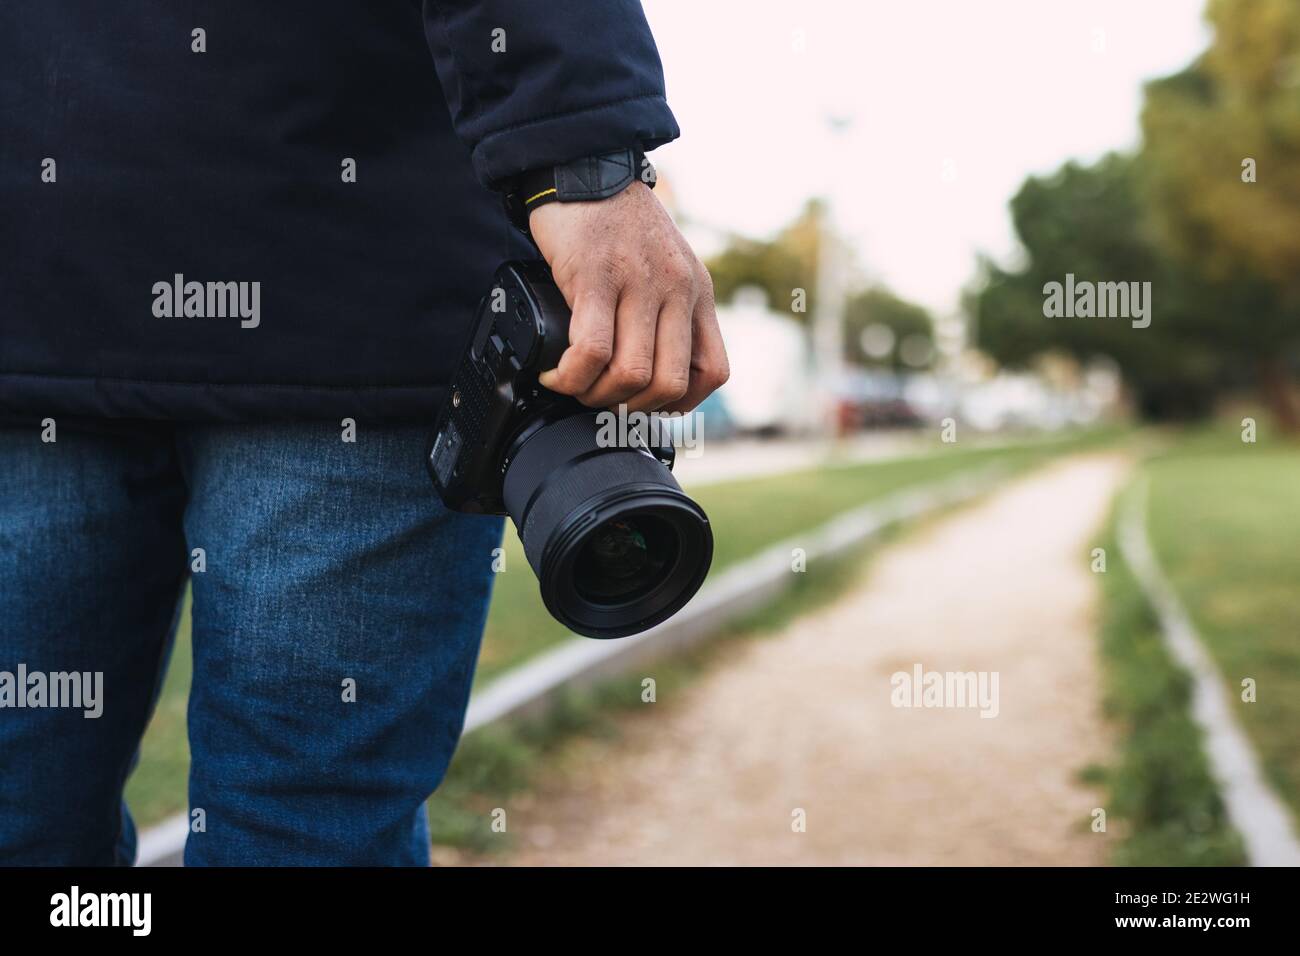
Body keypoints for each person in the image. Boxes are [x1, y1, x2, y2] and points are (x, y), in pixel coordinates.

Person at [0, 0, 728, 866]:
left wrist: (577, 152)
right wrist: (583, 161)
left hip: (133, 291)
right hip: (344, 285)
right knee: (302, 829)